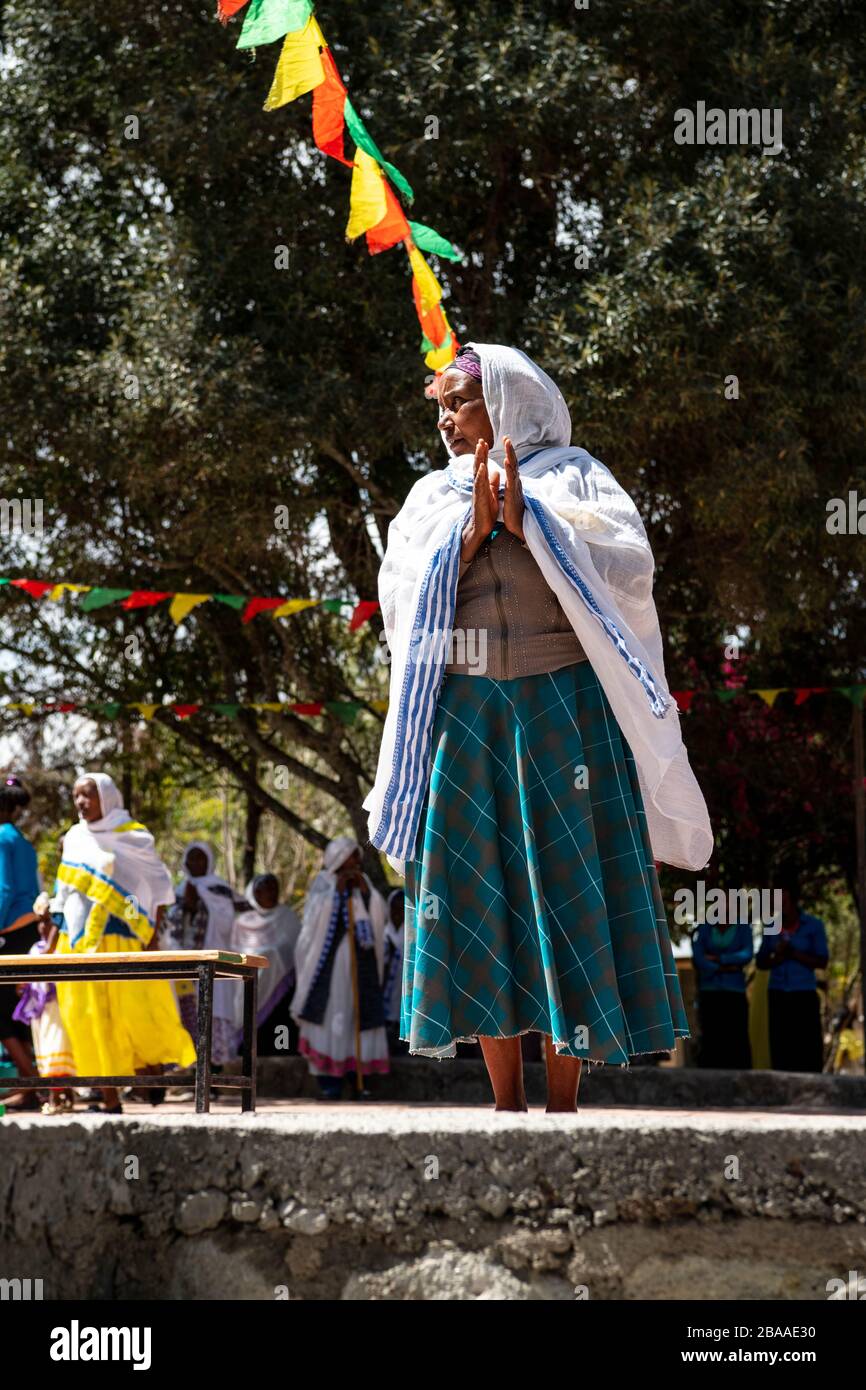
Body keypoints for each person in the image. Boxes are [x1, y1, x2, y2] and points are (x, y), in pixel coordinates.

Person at [365, 343, 713, 1112]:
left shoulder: (579, 477)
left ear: (510, 403)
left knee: (567, 891)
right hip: (465, 716)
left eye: (459, 403)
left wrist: (531, 523)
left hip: (568, 709)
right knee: (479, 892)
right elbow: (399, 603)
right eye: (441, 409)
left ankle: (562, 1102)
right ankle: (504, 1103)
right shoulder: (429, 499)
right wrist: (467, 533)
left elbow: (629, 572)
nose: (447, 421)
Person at [49, 773, 196, 1113]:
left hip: (123, 938)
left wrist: (153, 937)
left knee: (133, 1013)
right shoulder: (74, 838)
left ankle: (151, 1072)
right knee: (88, 1017)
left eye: (88, 795)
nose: (81, 803)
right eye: (76, 797)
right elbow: (64, 893)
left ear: (107, 796)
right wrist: (54, 944)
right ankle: (109, 1095)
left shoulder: (134, 837)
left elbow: (158, 890)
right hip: (80, 941)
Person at [293, 837, 389, 1099]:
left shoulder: (364, 883)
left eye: (357, 857)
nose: (356, 862)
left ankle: (360, 1080)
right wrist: (336, 894)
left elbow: (379, 914)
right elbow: (313, 925)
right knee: (333, 1014)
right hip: (332, 967)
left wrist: (366, 894)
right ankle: (329, 1082)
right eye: (351, 857)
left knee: (357, 1015)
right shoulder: (324, 883)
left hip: (362, 963)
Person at [166, 841, 245, 1064]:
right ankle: (192, 1070)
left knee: (214, 1011)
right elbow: (171, 925)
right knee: (187, 1012)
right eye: (192, 858)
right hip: (185, 964)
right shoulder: (179, 890)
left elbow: (226, 923)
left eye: (201, 858)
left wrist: (200, 902)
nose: (196, 863)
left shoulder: (218, 889)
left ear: (209, 861)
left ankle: (215, 1072)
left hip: (215, 960)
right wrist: (188, 906)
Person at [0, 775, 42, 1110]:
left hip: (9, 932)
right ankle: (31, 1086)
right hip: (28, 933)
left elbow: (4, 890)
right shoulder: (21, 840)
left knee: (2, 1015)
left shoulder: (1, 837)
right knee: (17, 1012)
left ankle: (32, 1083)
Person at [756, 882, 828, 1073]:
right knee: (781, 1045)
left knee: (808, 1045)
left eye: (784, 901)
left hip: (804, 993)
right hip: (778, 992)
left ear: (793, 901)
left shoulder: (813, 925)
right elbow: (761, 961)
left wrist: (793, 953)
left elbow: (822, 960)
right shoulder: (772, 926)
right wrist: (777, 957)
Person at [12, 901, 76, 1113]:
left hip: (57, 1010)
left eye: (48, 921)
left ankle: (59, 1096)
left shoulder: (62, 951)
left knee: (58, 1049)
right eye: (40, 922)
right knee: (46, 1050)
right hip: (42, 1014)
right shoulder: (35, 949)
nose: (42, 927)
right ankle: (58, 1097)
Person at [232, 872, 301, 1055]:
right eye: (264, 889)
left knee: (281, 1031)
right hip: (247, 986)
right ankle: (247, 1054)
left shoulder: (287, 916)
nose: (270, 893)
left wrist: (270, 955)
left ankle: (283, 1053)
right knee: (253, 1039)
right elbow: (233, 952)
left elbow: (296, 947)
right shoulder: (242, 922)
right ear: (254, 892)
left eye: (274, 888)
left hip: (282, 989)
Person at [692, 918, 753, 1069]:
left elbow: (747, 954)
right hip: (709, 992)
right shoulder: (704, 928)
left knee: (736, 1040)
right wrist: (726, 966)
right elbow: (699, 958)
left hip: (735, 992)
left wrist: (718, 958)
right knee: (711, 1040)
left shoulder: (743, 928)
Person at [382, 888, 407, 1055]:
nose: (397, 913)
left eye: (401, 909)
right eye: (394, 908)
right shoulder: (384, 934)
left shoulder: (411, 934)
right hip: (387, 990)